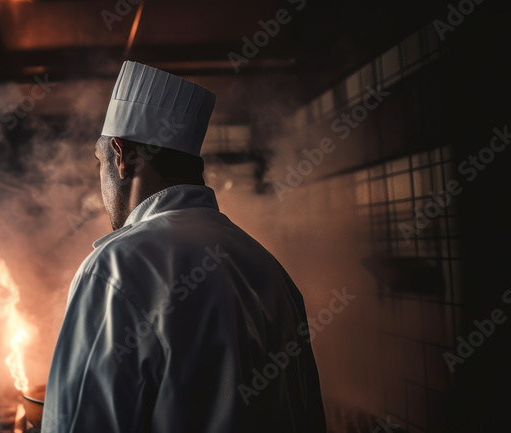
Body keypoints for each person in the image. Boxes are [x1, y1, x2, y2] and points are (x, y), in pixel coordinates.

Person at [41, 61, 326, 432]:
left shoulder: (115, 267)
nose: (101, 180)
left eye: (100, 162)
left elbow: (77, 424)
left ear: (122, 154)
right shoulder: (272, 270)